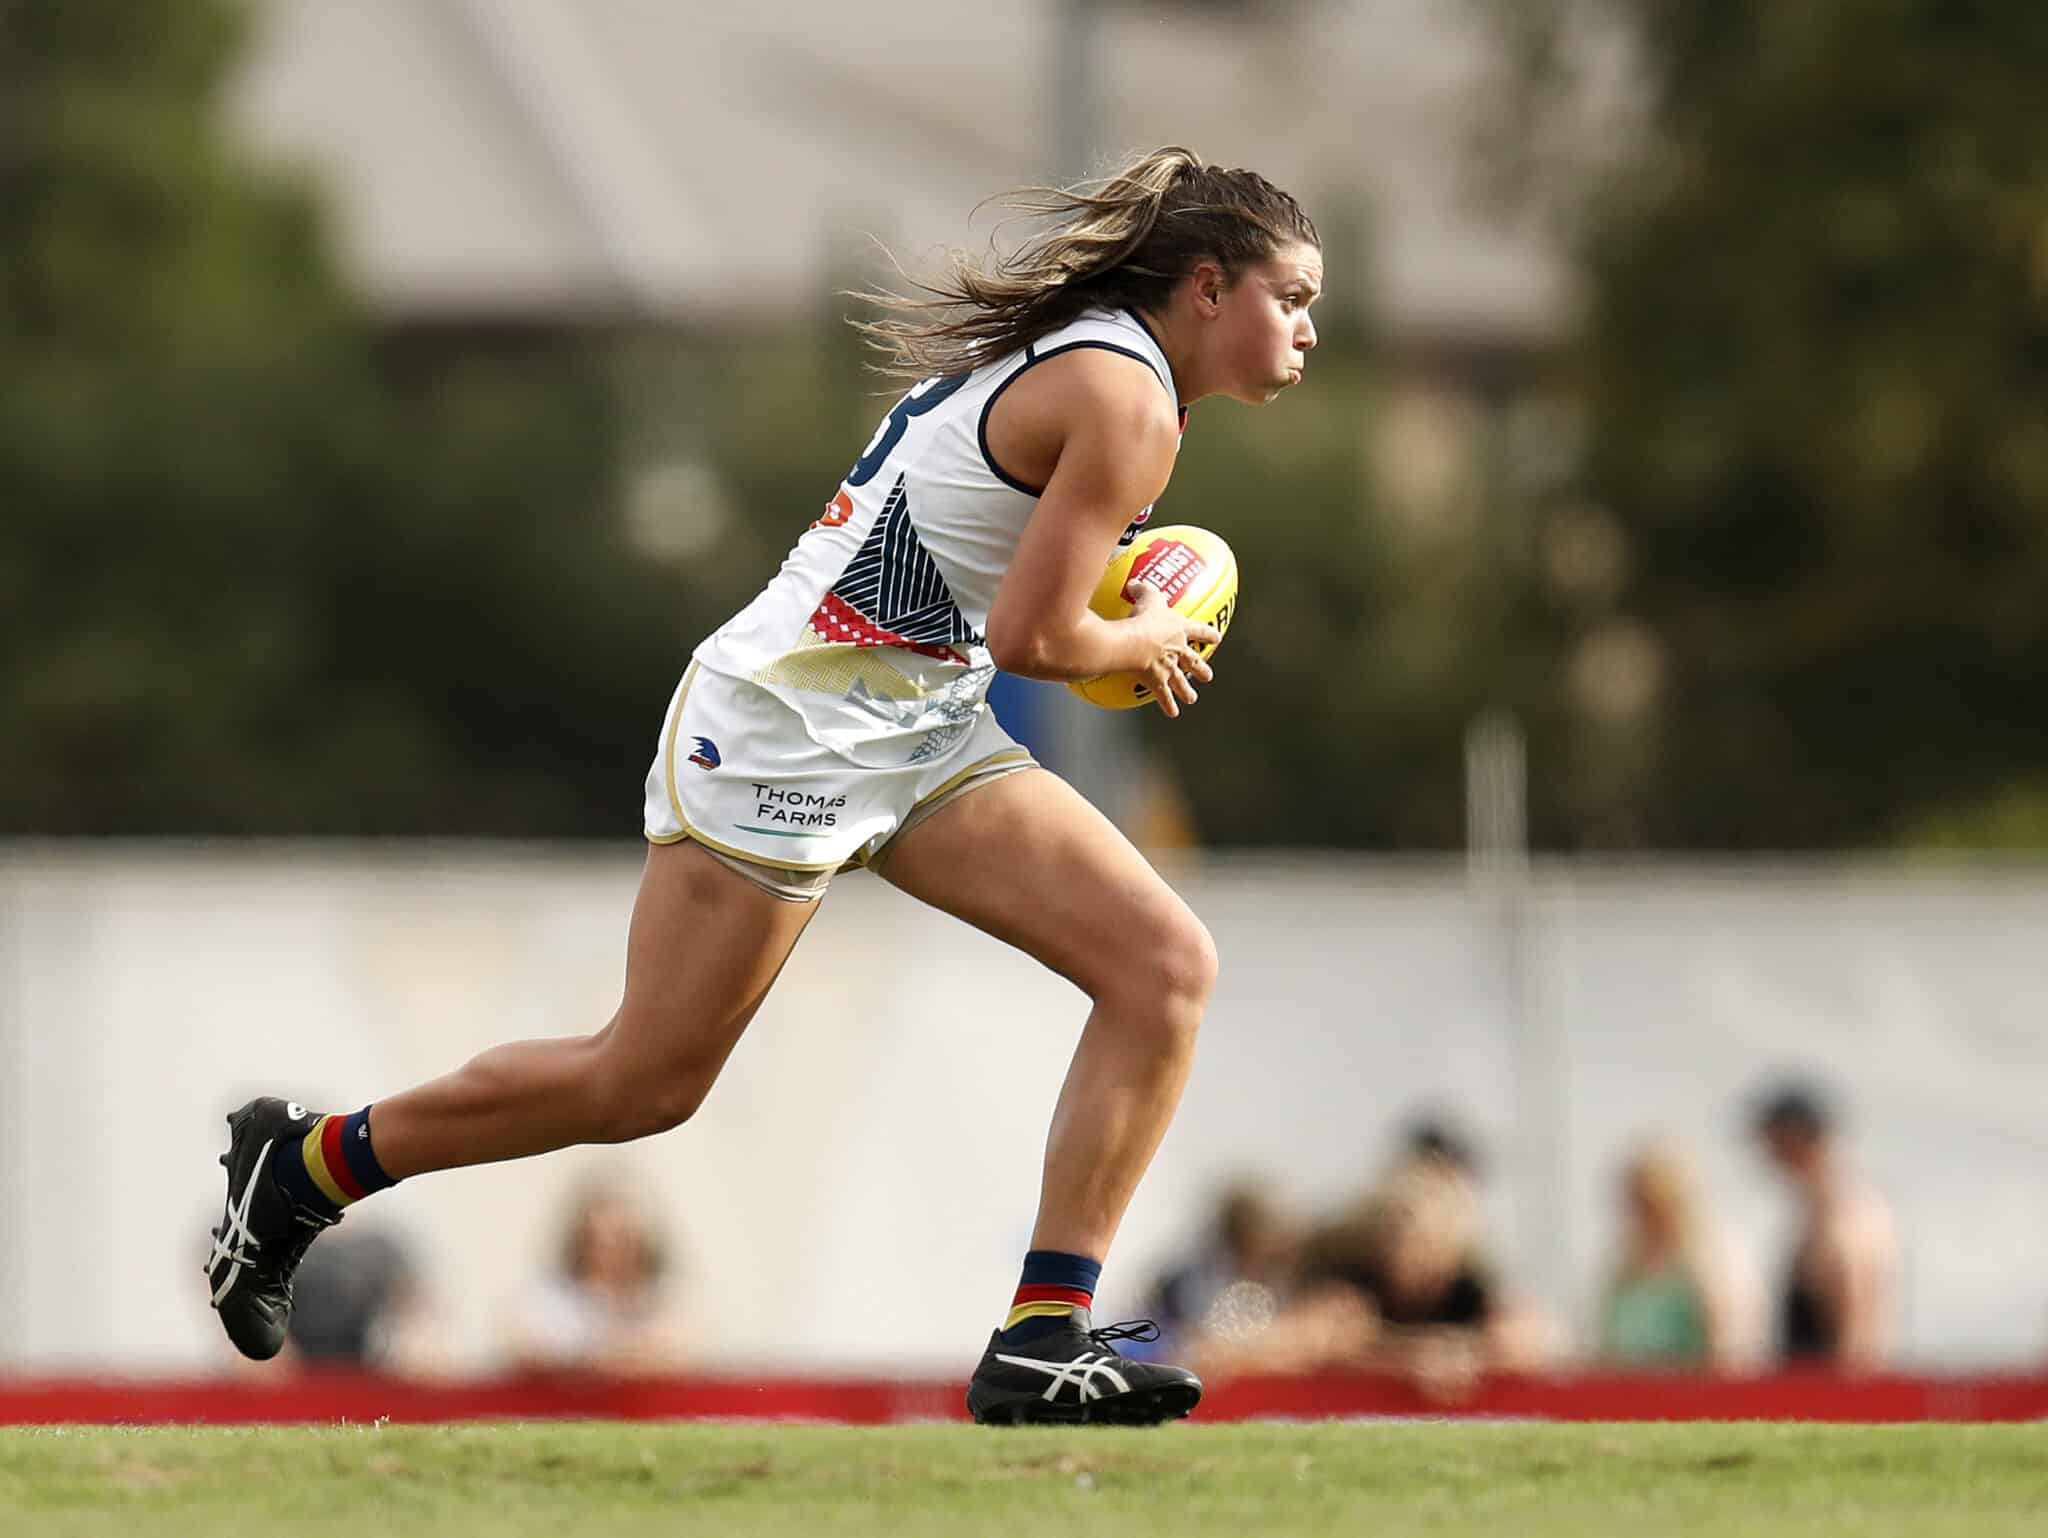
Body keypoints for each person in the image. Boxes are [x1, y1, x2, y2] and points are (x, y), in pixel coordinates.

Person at [202, 145, 1323, 1427]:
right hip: (790, 723)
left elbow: (993, 596)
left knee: (1162, 965)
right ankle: (303, 1167)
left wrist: (1106, 610)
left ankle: (1043, 1334)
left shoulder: (1107, 365)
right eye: (1288, 297)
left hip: (913, 723)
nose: (1304, 330)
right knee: (643, 1081)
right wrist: (1144, 641)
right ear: (1204, 286)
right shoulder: (1126, 400)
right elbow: (1037, 638)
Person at [1750, 1081, 1899, 1372]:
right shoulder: (1826, 1210)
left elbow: (1857, 1340)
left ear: (1794, 1138)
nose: (1767, 1155)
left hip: (1830, 1401)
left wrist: (1847, 1407)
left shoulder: (1843, 1217)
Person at [1596, 1139, 1757, 1373]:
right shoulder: (1621, 1268)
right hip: (1629, 1397)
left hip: (1690, 1399)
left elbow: (1726, 1348)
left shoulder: (1709, 1262)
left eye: (1646, 1203)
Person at [506, 1182, 691, 1376]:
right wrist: (589, 1360)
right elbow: (526, 1347)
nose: (608, 1251)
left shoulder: (667, 1296)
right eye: (597, 1239)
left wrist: (629, 1358)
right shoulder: (547, 1296)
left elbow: (682, 1352)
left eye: (621, 1238)